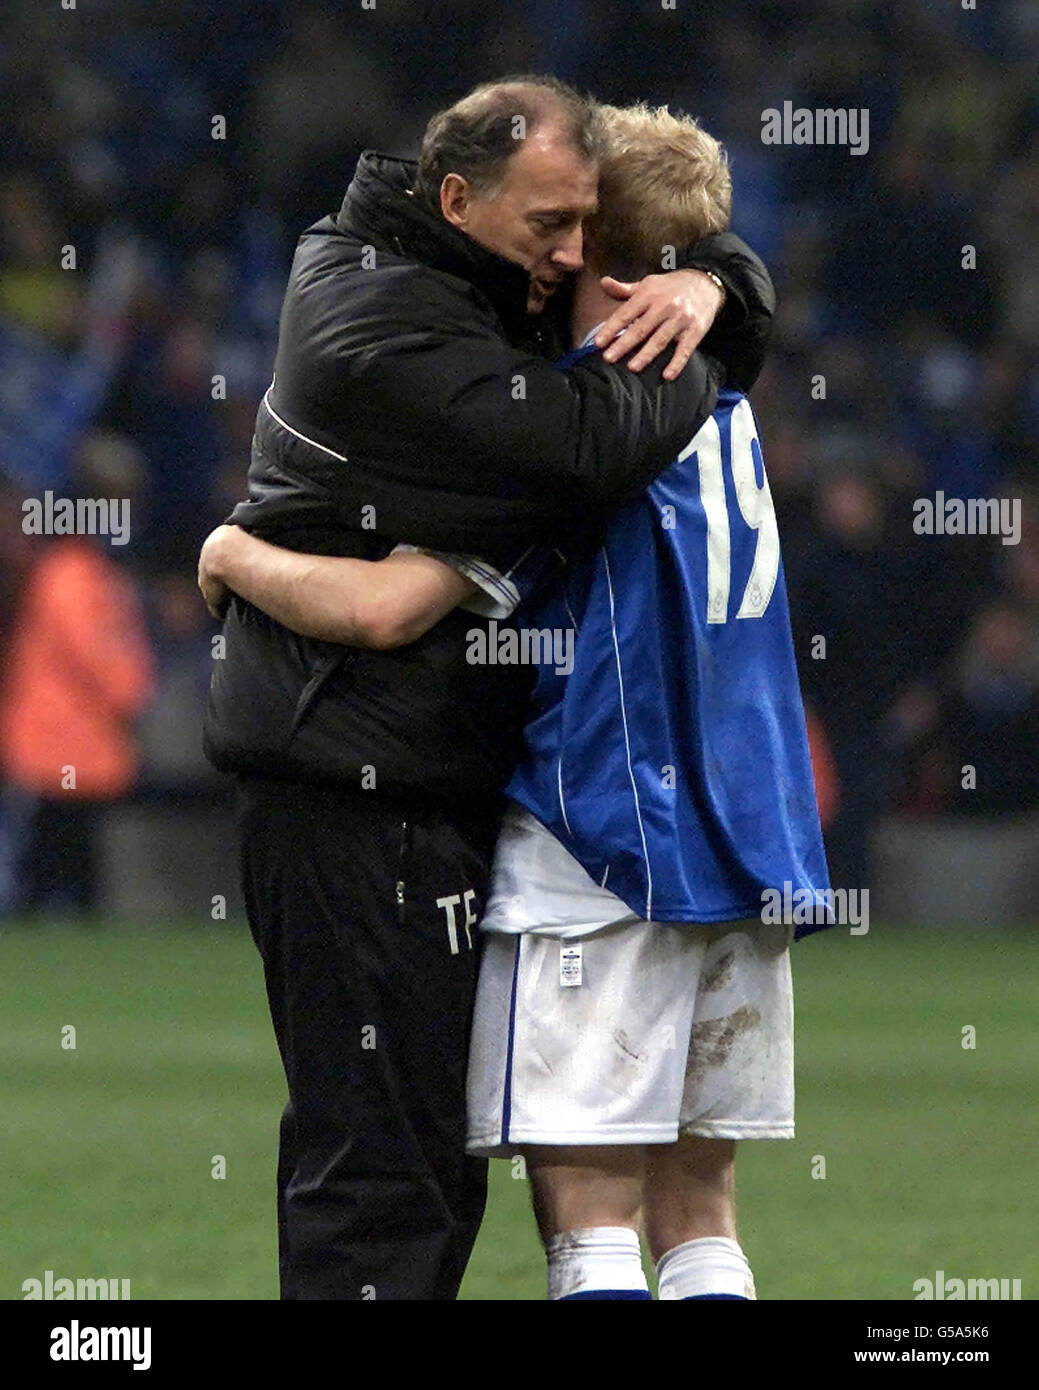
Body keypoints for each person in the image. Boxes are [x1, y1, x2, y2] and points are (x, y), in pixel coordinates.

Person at [201, 102, 827, 1303]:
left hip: (608, 850)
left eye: (568, 244)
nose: (546, 271)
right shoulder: (727, 408)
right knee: (698, 1213)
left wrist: (233, 555)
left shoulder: (577, 434)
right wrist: (709, 287)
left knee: (588, 1216)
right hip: (749, 850)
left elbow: (387, 608)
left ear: (610, 268)